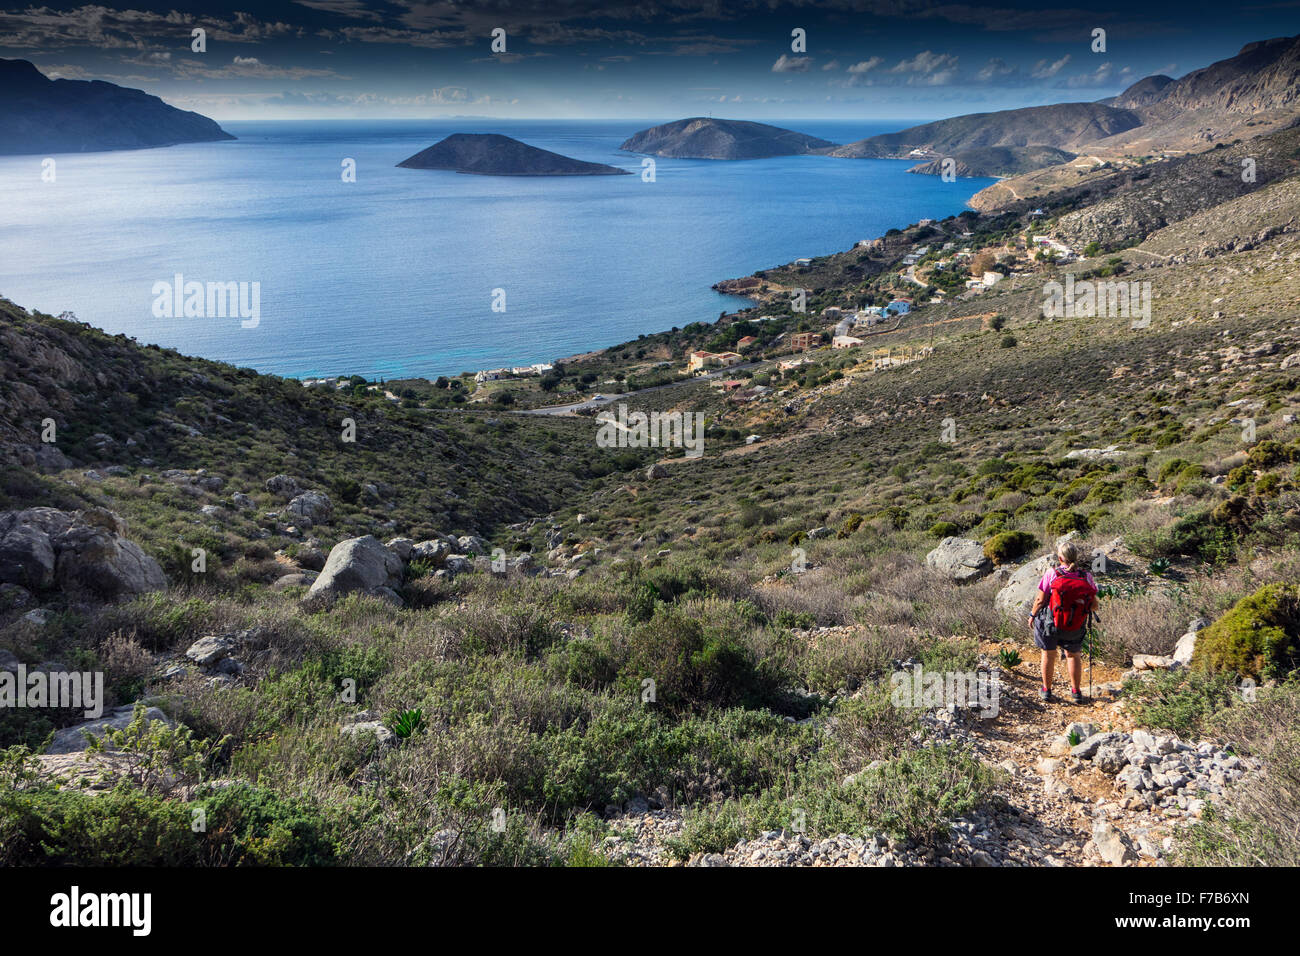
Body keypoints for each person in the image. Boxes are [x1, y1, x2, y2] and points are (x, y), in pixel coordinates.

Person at [1028, 541, 1098, 703]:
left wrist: (1032, 615)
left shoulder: (1052, 574)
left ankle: (1046, 690)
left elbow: (1040, 600)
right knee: (1073, 655)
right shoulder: (1086, 577)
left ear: (1060, 558)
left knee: (1048, 654)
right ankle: (1076, 692)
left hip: (1050, 624)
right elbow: (1094, 605)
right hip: (1075, 625)